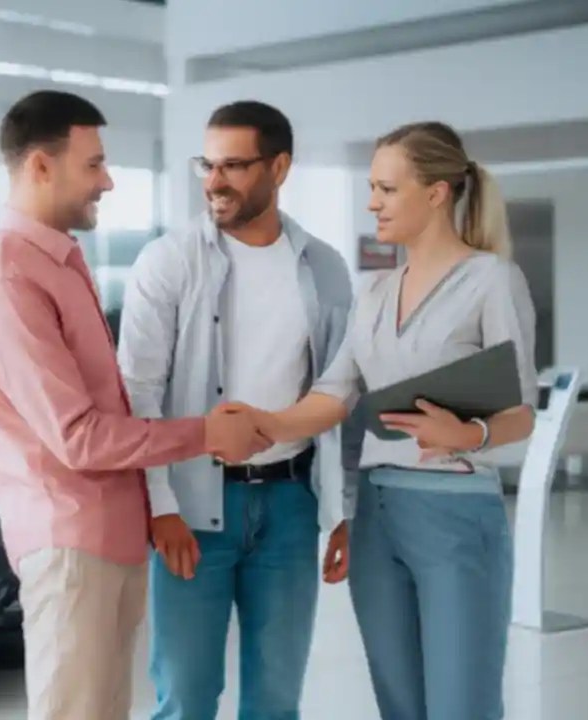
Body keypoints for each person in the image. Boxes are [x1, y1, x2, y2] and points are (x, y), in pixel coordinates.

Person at [0, 89, 271, 720]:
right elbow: (78, 436)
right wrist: (205, 434)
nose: (107, 181)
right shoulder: (11, 282)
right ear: (41, 166)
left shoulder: (60, 262)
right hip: (71, 544)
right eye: (93, 164)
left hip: (105, 540)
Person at [234, 120, 538, 720]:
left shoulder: (491, 280)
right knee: (400, 706)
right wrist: (264, 424)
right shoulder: (374, 292)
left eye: (387, 189)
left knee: (461, 707)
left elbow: (521, 413)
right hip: (377, 516)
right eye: (371, 187)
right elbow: (334, 394)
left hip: (456, 514)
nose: (372, 201)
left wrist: (469, 434)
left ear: (437, 192)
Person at [116, 100, 362, 720]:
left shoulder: (325, 268)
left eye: (234, 166)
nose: (214, 181)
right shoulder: (168, 263)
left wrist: (339, 511)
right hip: (194, 509)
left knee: (277, 702)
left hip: (290, 504)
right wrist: (161, 505)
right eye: (208, 164)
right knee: (187, 698)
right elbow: (137, 393)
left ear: (279, 167)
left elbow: (341, 394)